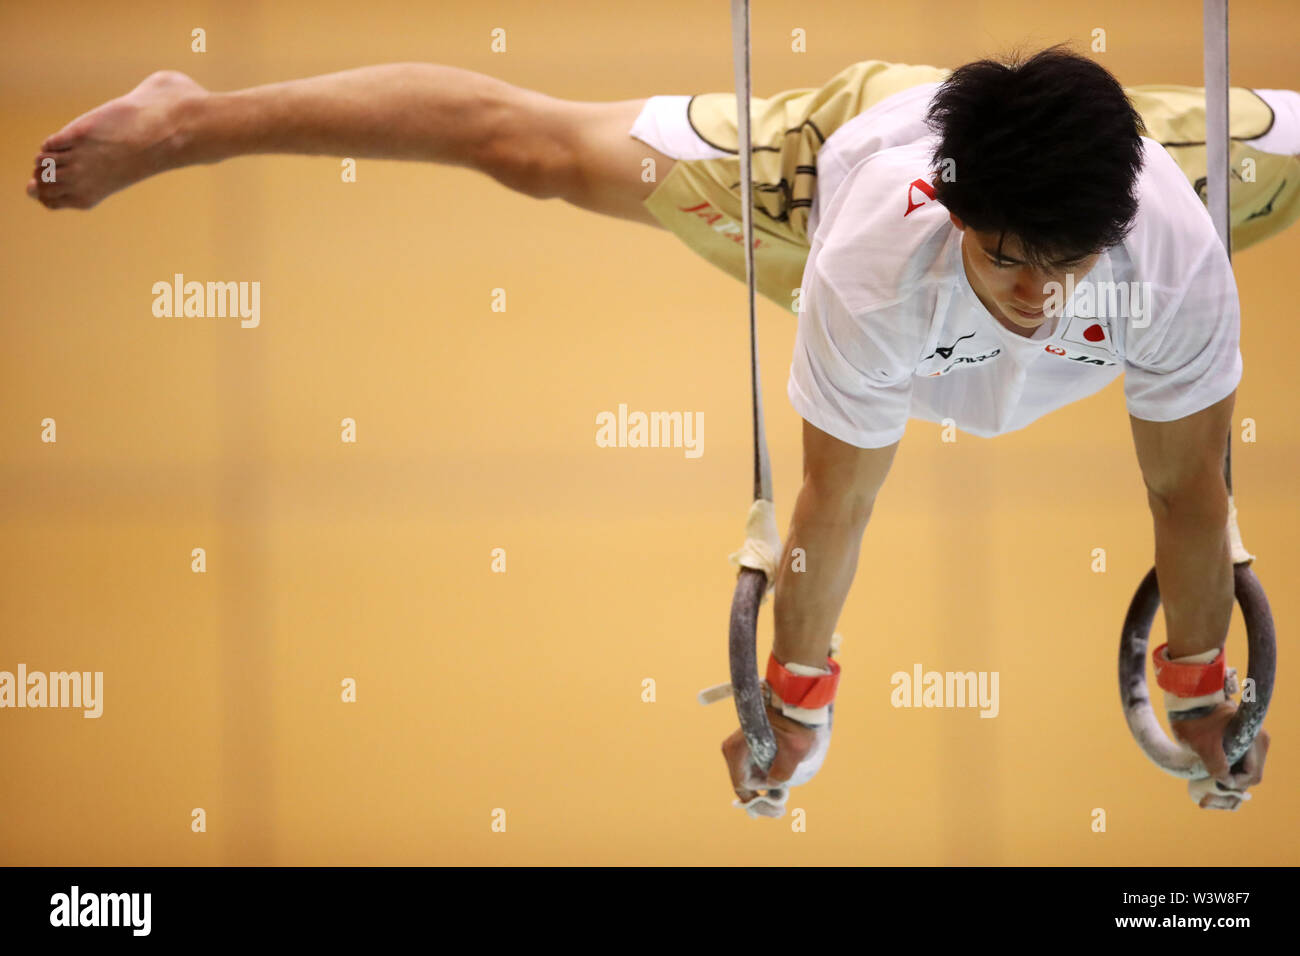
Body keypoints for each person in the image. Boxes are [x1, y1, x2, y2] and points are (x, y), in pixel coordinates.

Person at [28, 45, 1289, 814]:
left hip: (1129, 161)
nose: (1039, 295)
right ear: (958, 215)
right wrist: (796, 691)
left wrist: (1194, 672)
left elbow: (1186, 493)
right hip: (821, 171)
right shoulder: (865, 267)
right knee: (525, 147)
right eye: (1008, 261)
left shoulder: (1163, 243)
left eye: (1064, 265)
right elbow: (834, 506)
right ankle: (188, 116)